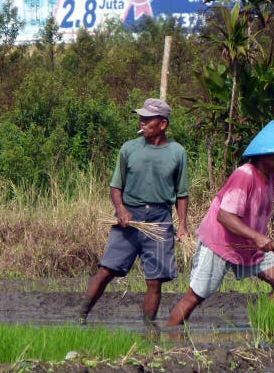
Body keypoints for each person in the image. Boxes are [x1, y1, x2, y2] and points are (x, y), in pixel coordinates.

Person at [167, 120, 274, 327]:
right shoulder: (245, 175)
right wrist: (258, 237)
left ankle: (263, 327)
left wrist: (258, 238)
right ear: (262, 155)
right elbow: (225, 216)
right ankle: (169, 335)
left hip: (247, 245)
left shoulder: (270, 178)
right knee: (196, 296)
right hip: (220, 244)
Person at [77, 98, 190, 329]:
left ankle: (149, 328)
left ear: (163, 124)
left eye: (148, 119)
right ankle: (80, 316)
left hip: (159, 221)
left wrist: (183, 226)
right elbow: (115, 186)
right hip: (128, 220)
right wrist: (121, 210)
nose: (142, 122)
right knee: (106, 271)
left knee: (155, 281)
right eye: (142, 118)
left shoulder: (177, 153)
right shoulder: (129, 148)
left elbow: (182, 193)